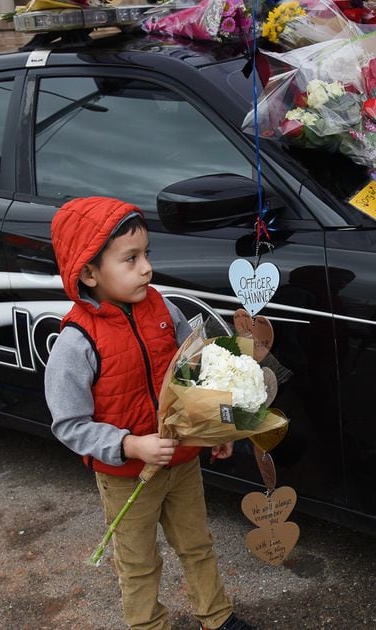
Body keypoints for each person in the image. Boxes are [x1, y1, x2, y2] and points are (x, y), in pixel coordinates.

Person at [44, 196, 254, 630]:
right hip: (127, 477)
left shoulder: (164, 309)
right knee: (138, 563)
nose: (146, 269)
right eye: (131, 259)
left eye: (146, 255)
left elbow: (194, 374)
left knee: (197, 545)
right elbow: (69, 424)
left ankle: (217, 617)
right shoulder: (76, 342)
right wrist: (130, 445)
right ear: (88, 272)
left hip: (182, 461)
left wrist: (217, 430)